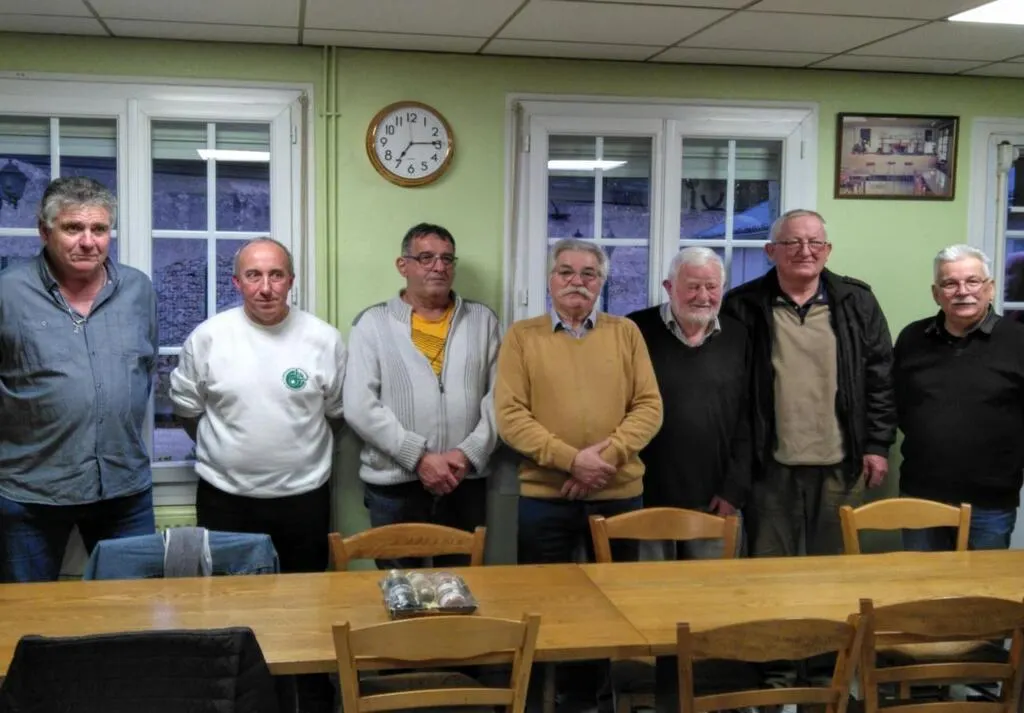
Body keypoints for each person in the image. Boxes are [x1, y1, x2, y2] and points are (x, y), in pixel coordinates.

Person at [0, 176, 158, 583]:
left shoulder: (138, 289)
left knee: (132, 615)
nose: (88, 242)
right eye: (73, 228)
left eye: (100, 229)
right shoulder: (8, 294)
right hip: (30, 493)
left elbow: (146, 369)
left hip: (124, 490)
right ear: (44, 230)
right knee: (25, 621)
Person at [723, 209, 896, 557]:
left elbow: (881, 377)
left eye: (815, 241)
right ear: (771, 251)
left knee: (834, 569)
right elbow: (730, 390)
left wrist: (877, 444)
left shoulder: (856, 301)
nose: (805, 250)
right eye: (793, 242)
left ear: (828, 250)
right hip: (768, 465)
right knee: (769, 570)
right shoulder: (741, 306)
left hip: (841, 463)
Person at [169, 237, 345, 574]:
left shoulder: (325, 339)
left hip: (304, 499)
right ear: (237, 282)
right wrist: (232, 450)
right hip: (224, 499)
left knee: (304, 601)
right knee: (229, 604)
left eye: (276, 275)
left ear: (291, 281)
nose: (266, 287)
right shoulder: (208, 338)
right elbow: (188, 411)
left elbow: (335, 415)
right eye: (253, 275)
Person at [495, 237, 663, 565]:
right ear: (550, 280)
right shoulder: (521, 336)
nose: (577, 281)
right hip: (545, 499)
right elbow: (510, 417)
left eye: (589, 274)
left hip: (618, 495)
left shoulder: (626, 332)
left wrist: (603, 462)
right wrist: (572, 462)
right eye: (566, 272)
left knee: (619, 601)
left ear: (601, 282)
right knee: (545, 599)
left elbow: (649, 406)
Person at [343, 223, 500, 569]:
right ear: (403, 266)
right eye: (426, 257)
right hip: (395, 484)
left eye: (446, 259)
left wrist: (468, 453)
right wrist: (419, 457)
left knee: (464, 585)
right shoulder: (373, 323)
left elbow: (500, 399)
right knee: (400, 590)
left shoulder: (483, 321)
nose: (439, 267)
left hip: (464, 480)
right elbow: (359, 405)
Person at [895, 245, 1024, 550]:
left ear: (990, 289)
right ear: (936, 293)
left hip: (991, 501)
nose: (962, 291)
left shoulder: (1018, 341)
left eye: (973, 281)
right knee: (921, 587)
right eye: (950, 283)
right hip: (921, 493)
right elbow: (894, 402)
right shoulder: (912, 338)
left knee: (982, 592)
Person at [627, 247, 751, 560]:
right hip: (645, 496)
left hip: (716, 499)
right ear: (669, 288)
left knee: (710, 597)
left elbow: (751, 418)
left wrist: (733, 490)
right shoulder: (633, 331)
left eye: (711, 287)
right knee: (646, 597)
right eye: (693, 286)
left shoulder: (741, 337)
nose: (703, 296)